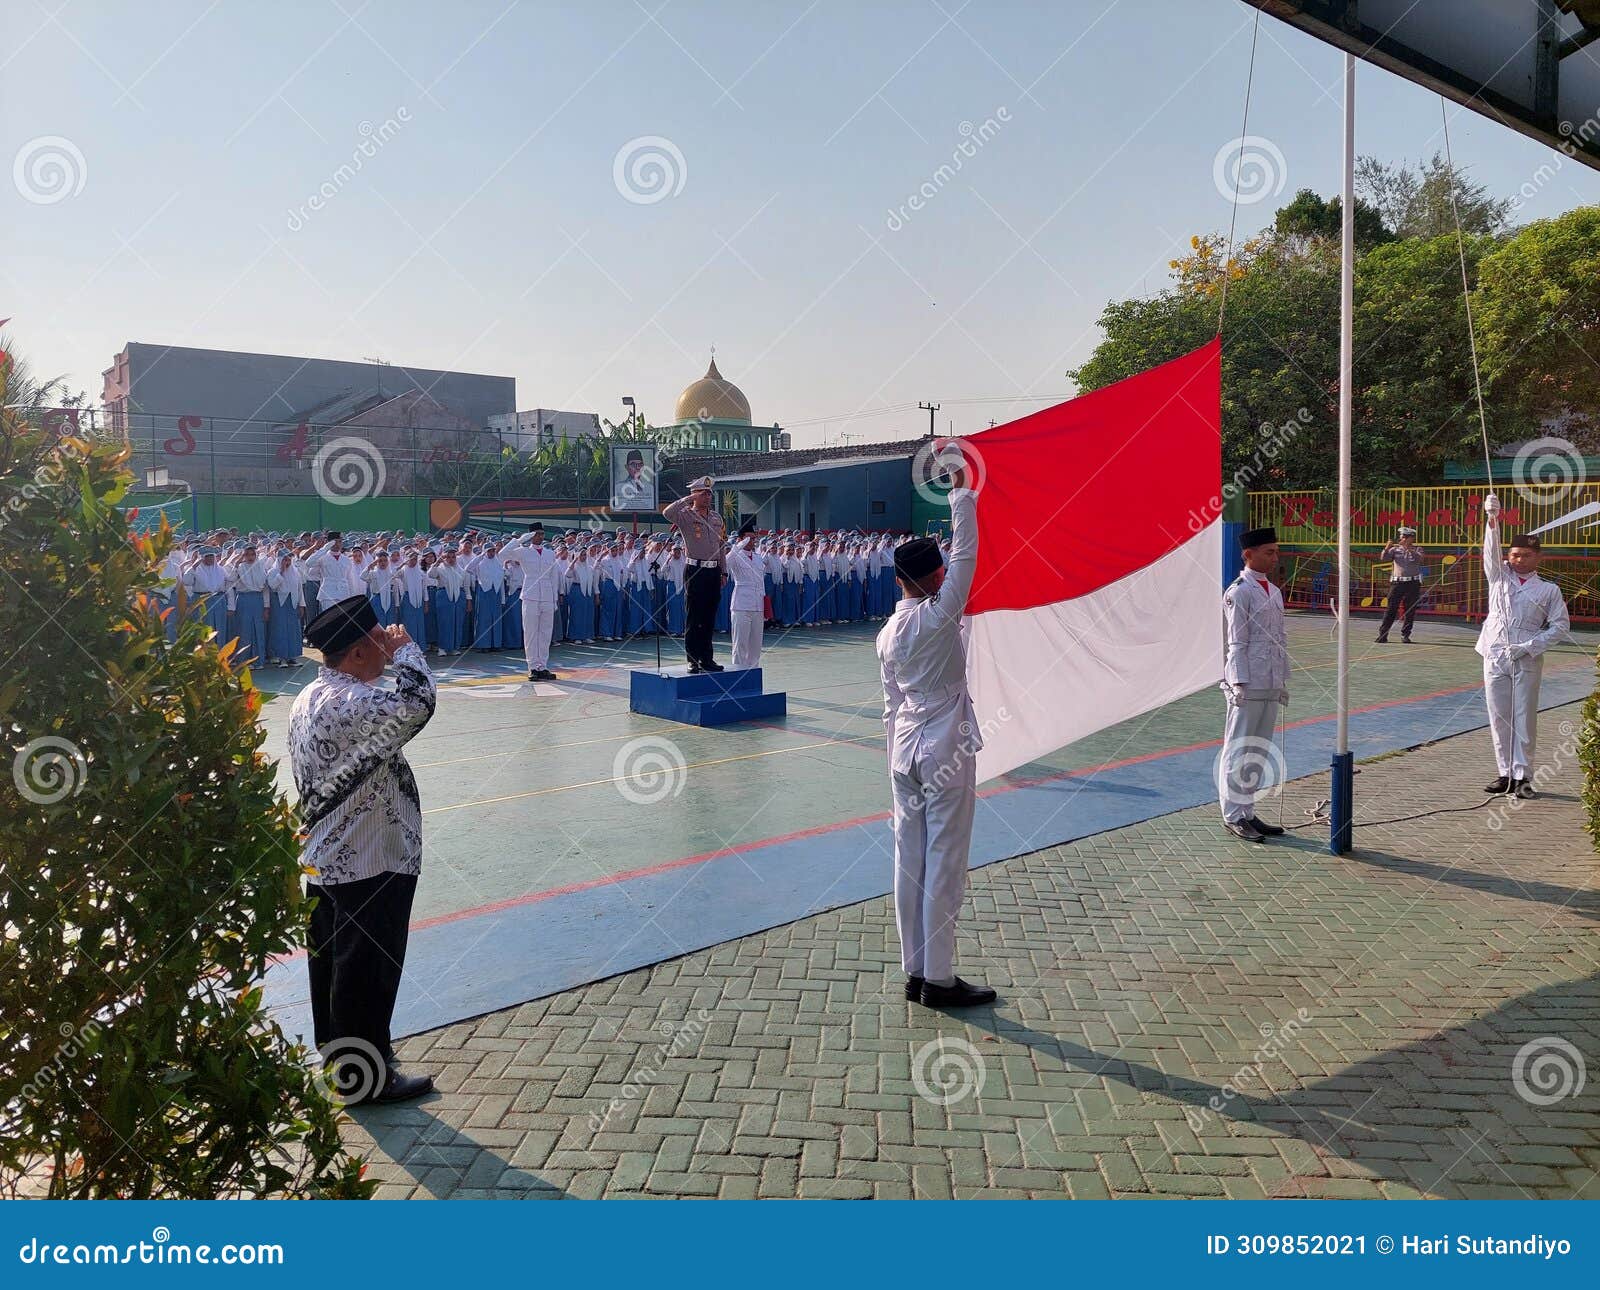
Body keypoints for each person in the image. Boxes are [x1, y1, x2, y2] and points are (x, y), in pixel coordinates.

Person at [289, 595, 437, 1105]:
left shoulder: (314, 694)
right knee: (366, 967)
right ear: (355, 654)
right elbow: (419, 704)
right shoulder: (349, 702)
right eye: (378, 641)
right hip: (369, 856)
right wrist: (409, 651)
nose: (387, 646)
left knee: (333, 962)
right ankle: (363, 1078)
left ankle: (345, 1055)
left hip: (333, 854)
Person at [878, 449, 992, 1009]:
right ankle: (941, 979)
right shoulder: (941, 613)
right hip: (945, 745)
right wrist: (961, 491)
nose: (949, 573)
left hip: (904, 748)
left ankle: (915, 970)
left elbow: (889, 701)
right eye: (943, 572)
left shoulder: (886, 633)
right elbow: (968, 550)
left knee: (909, 858)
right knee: (945, 857)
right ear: (931, 578)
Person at [1478, 495, 1571, 798]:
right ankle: (1504, 773)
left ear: (1537, 557)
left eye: (1526, 555)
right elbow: (1490, 554)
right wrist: (1492, 520)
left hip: (1527, 657)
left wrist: (1531, 645)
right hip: (1495, 653)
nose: (1519, 560)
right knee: (1499, 715)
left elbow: (1560, 626)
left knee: (1524, 716)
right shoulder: (1498, 577)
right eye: (1514, 554)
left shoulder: (1548, 590)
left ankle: (1524, 776)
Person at [1219, 527, 1290, 843]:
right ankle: (1233, 815)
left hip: (1270, 679)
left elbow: (1281, 639)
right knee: (1239, 749)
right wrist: (1238, 683)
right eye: (1268, 552)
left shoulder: (1273, 591)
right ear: (1249, 555)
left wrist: (1283, 679)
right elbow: (1236, 642)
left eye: (1275, 551)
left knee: (1259, 749)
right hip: (1248, 682)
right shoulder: (1239, 592)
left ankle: (1247, 811)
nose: (1274, 557)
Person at [662, 477, 727, 673]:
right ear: (695, 494)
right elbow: (667, 513)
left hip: (713, 570)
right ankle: (692, 659)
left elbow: (721, 546)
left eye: (708, 493)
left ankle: (707, 658)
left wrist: (723, 570)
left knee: (709, 616)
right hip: (695, 570)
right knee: (694, 616)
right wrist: (687, 499)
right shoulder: (685, 515)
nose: (707, 497)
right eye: (703, 493)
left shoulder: (716, 518)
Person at [512, 523, 562, 682]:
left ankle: (543, 666)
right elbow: (502, 554)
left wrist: (554, 599)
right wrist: (520, 540)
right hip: (530, 595)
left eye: (542, 533)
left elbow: (554, 577)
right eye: (537, 534)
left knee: (545, 633)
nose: (540, 536)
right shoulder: (523, 552)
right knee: (531, 633)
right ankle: (532, 667)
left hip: (547, 595)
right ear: (531, 535)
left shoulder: (550, 553)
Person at [725, 526, 766, 670]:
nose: (752, 541)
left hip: (758, 605)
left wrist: (765, 603)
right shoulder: (736, 556)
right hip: (741, 604)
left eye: (754, 538)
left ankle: (753, 676)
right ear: (741, 538)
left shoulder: (758, 557)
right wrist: (738, 546)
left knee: (755, 646)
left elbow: (761, 581)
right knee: (740, 644)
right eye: (748, 538)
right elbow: (726, 562)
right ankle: (737, 674)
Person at [1376, 526, 1424, 643]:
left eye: (1403, 537)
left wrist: (1409, 549)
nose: (1401, 539)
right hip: (1397, 583)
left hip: (1412, 583)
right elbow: (1383, 558)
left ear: (1410, 538)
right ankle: (1383, 634)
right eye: (1401, 536)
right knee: (1391, 609)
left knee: (1410, 610)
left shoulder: (1418, 549)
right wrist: (1386, 548)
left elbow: (1420, 559)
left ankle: (1405, 635)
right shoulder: (1395, 550)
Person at [264, 550, 306, 666]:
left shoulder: (295, 572)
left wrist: (301, 605)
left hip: (292, 603)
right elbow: (273, 586)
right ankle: (281, 657)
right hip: (279, 603)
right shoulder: (272, 572)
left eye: (288, 560)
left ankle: (292, 657)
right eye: (284, 560)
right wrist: (281, 572)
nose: (287, 562)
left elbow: (299, 589)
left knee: (293, 630)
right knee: (280, 629)